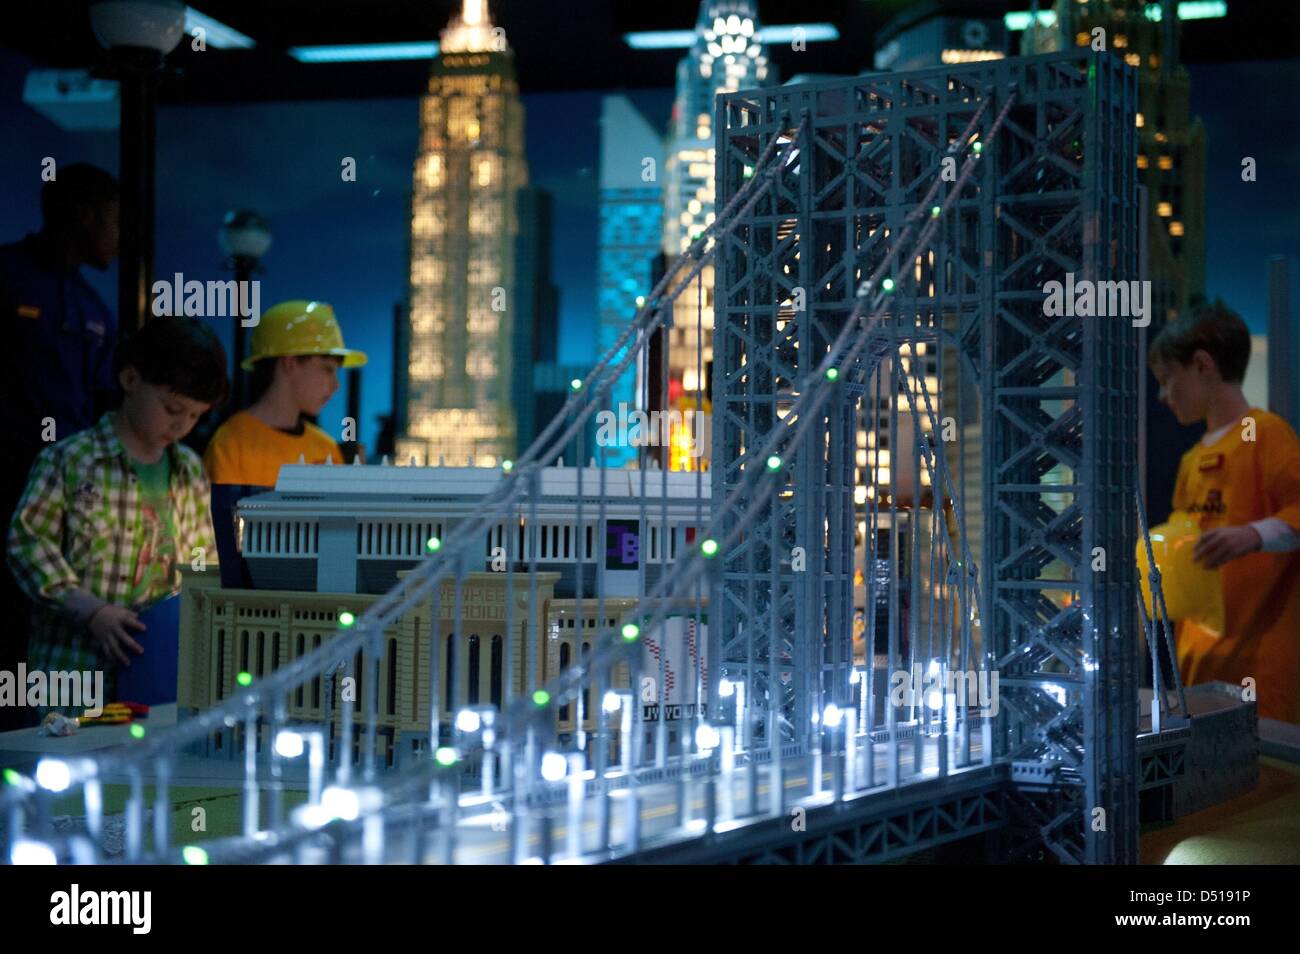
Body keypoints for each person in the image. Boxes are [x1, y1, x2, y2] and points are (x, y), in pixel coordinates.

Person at [7, 317, 228, 707]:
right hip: (73, 675)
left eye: (195, 416)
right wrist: (90, 610)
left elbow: (202, 563)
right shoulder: (71, 460)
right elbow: (28, 543)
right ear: (130, 379)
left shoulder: (190, 470)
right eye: (172, 408)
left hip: (158, 676)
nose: (181, 425)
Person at [0, 163, 120, 727]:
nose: (118, 237)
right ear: (86, 214)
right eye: (114, 219)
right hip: (6, 489)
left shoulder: (95, 309)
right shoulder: (6, 277)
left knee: (43, 628)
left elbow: (105, 408)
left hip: (64, 508)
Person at [1149, 300, 1300, 723]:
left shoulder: (1265, 434)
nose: (1163, 396)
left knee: (1264, 785)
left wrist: (1251, 535)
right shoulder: (1191, 460)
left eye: (1167, 380)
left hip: (1261, 670)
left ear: (1202, 365)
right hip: (1199, 666)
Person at [203, 299, 367, 487]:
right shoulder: (230, 445)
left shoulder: (326, 449)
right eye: (327, 369)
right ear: (290, 363)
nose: (336, 385)